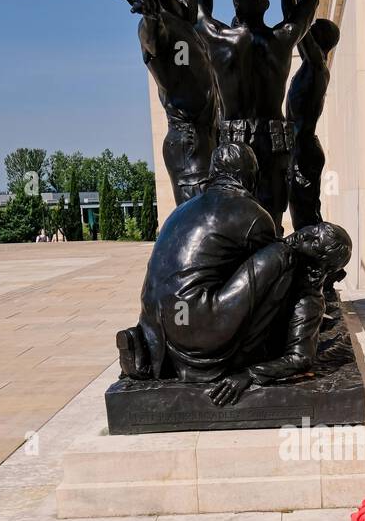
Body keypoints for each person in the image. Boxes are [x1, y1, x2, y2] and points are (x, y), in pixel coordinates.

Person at [116, 144, 294, 383]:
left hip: (156, 325)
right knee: (283, 256)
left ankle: (154, 349)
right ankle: (252, 355)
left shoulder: (182, 210)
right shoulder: (253, 215)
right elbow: (266, 283)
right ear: (249, 174)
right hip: (195, 328)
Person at [193, 0, 319, 235]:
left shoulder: (219, 39)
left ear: (235, 6)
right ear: (266, 4)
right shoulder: (281, 39)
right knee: (272, 218)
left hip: (234, 142)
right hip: (272, 140)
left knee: (234, 216)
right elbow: (309, 2)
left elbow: (197, 6)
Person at [117, 0, 217, 206]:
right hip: (189, 150)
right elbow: (151, 39)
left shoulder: (184, 11)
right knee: (200, 241)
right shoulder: (155, 25)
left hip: (210, 137)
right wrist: (148, 18)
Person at [209, 221, 352, 406]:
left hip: (238, 350)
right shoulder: (280, 250)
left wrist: (250, 374)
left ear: (318, 266)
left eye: (315, 242)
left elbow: (300, 358)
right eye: (314, 228)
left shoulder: (308, 300)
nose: (306, 234)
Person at [286, 17, 340, 230]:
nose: (306, 31)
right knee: (303, 212)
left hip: (303, 149)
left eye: (312, 29)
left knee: (305, 215)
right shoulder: (312, 66)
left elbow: (300, 27)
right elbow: (300, 31)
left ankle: (319, 257)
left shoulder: (316, 65)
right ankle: (316, 257)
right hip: (301, 147)